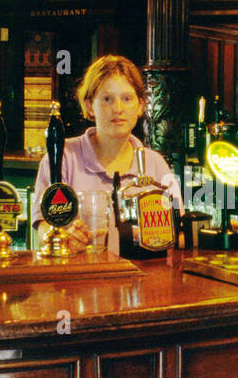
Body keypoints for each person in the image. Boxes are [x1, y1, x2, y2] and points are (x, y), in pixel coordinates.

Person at [32, 55, 182, 255]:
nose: (118, 109)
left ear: (140, 106)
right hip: (79, 279)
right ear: (89, 106)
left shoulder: (155, 163)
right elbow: (41, 226)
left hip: (143, 280)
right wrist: (62, 238)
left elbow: (178, 232)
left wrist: (219, 232)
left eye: (127, 99)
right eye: (107, 99)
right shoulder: (63, 157)